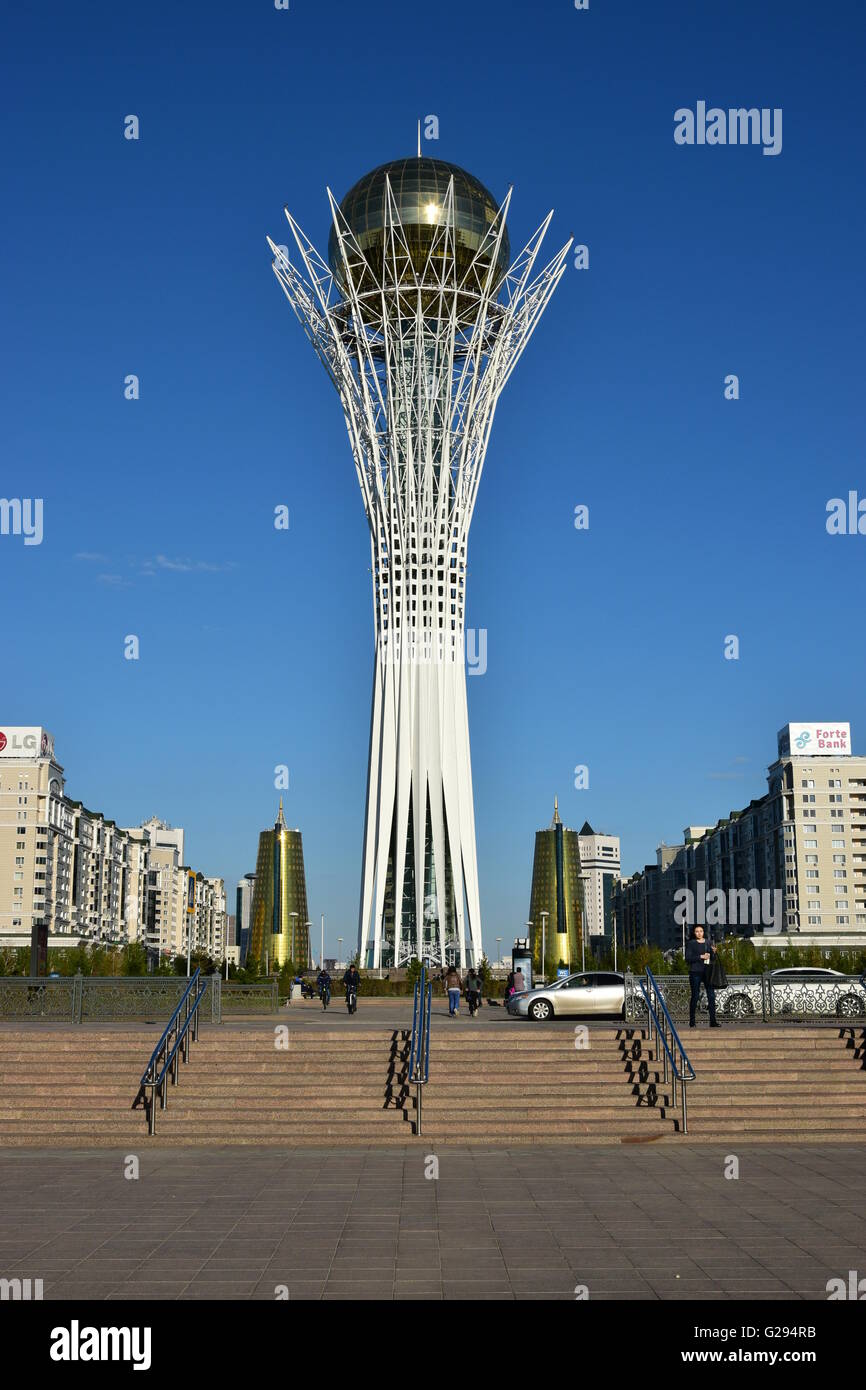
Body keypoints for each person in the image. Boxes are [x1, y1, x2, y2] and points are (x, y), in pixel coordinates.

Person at [685, 925, 720, 1028]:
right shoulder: (691, 944)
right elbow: (688, 958)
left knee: (711, 996)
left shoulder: (709, 942)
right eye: (697, 931)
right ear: (694, 933)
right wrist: (700, 956)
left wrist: (714, 952)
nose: (699, 933)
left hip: (707, 972)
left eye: (701, 931)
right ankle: (692, 1021)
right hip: (695, 972)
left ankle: (713, 1021)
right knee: (695, 996)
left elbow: (712, 959)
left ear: (704, 932)